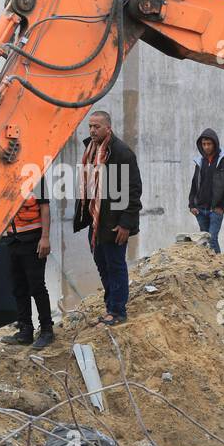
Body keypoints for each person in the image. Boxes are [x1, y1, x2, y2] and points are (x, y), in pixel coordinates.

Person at [74, 111, 142, 325]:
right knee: (102, 265)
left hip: (114, 224)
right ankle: (110, 306)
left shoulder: (122, 153)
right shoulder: (90, 150)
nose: (92, 130)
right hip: (97, 223)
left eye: (97, 127)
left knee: (115, 265)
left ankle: (118, 311)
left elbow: (133, 191)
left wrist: (125, 224)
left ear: (108, 129)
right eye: (90, 126)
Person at [2, 175, 55, 349]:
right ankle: (25, 330)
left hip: (33, 241)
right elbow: (0, 212)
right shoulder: (6, 178)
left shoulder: (36, 176)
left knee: (37, 287)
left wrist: (45, 238)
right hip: (13, 241)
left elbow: (45, 207)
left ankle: (47, 330)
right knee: (19, 288)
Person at [188, 127, 224, 253]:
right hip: (200, 210)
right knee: (204, 242)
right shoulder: (200, 161)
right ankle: (210, 270)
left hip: (216, 210)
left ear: (215, 144)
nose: (206, 147)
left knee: (212, 239)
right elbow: (194, 185)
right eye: (204, 144)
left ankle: (220, 269)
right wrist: (192, 205)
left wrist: (223, 206)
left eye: (209, 144)